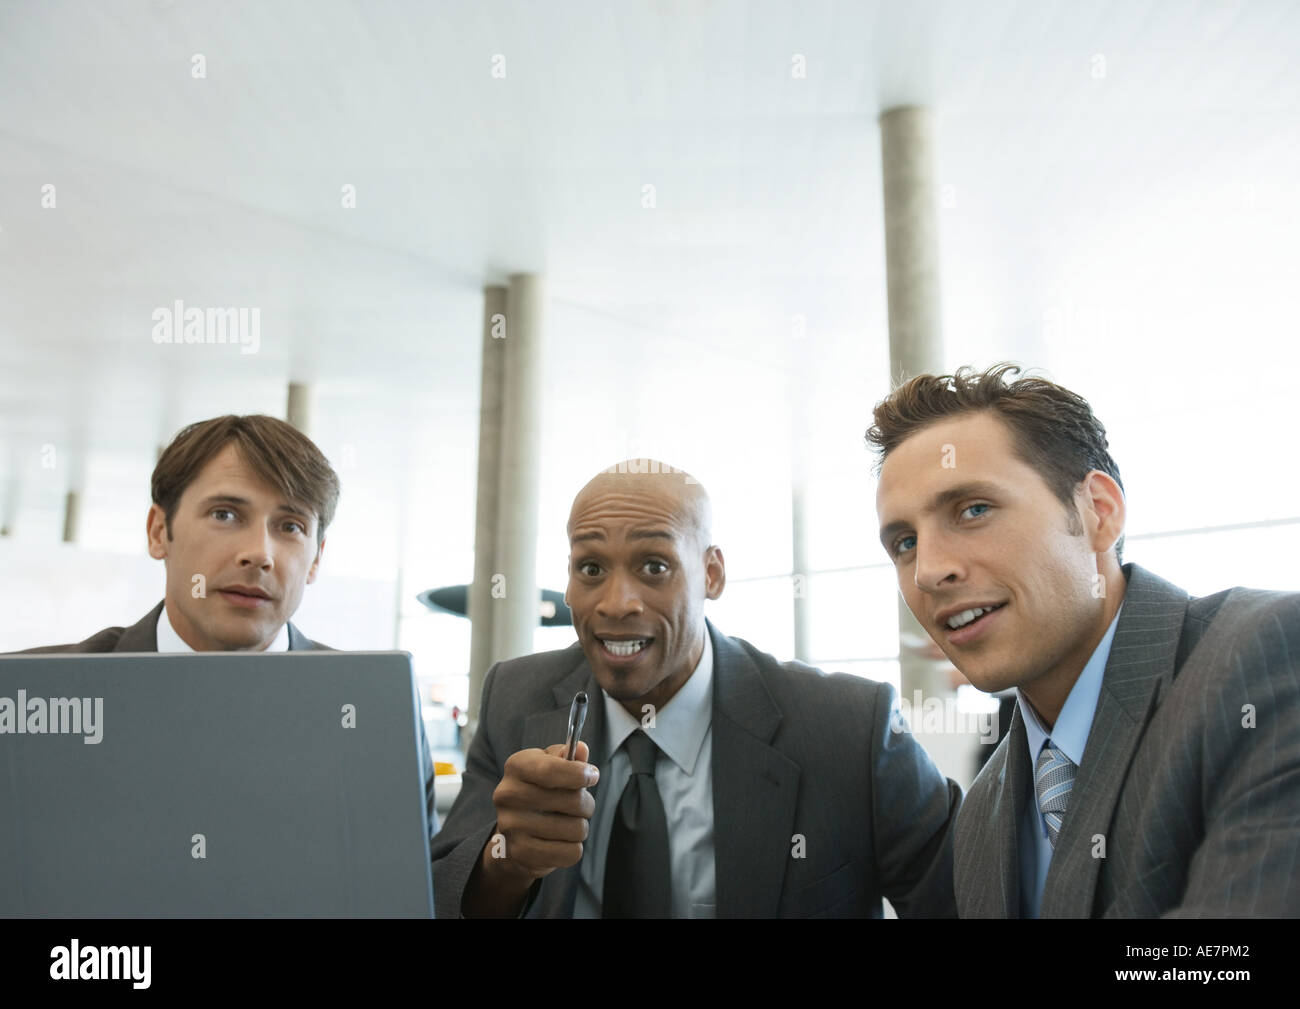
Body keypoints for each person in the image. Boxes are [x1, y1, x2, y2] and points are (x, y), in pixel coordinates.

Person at [430, 460, 960, 918]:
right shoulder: (516, 696)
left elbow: (965, 900)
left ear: (711, 574)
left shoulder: (849, 727)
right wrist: (506, 862)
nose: (616, 603)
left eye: (655, 566)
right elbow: (438, 894)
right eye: (591, 568)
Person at [869, 363, 1300, 917]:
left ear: (1099, 511)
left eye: (973, 510)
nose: (928, 570)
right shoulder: (982, 813)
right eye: (904, 542)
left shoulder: (1263, 660)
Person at [14, 414, 438, 839]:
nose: (259, 554)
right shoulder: (36, 701)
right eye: (225, 514)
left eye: (290, 526)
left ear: (316, 559)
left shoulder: (375, 714)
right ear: (159, 531)